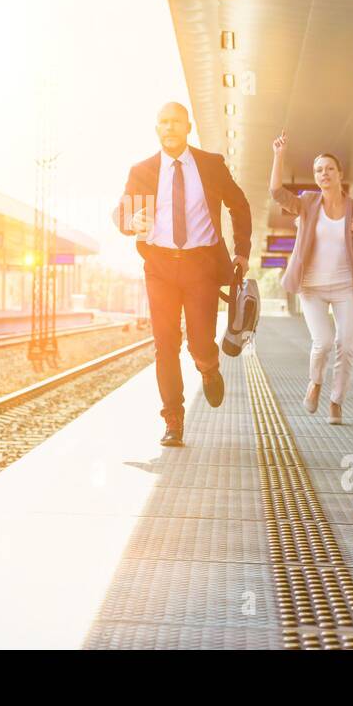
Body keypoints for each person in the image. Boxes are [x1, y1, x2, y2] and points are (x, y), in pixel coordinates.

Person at [113, 102, 251, 447]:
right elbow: (121, 213)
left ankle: (208, 366)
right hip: (159, 267)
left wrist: (243, 251)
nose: (169, 127)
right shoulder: (141, 170)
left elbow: (239, 204)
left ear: (188, 126)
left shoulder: (210, 164)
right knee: (165, 344)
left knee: (200, 341)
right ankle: (173, 420)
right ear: (156, 129)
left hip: (200, 265)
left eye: (175, 121)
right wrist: (132, 223)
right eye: (163, 122)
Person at [269, 132, 353, 424]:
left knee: (346, 346)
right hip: (311, 286)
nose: (323, 174)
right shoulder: (308, 202)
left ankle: (336, 401)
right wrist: (278, 154)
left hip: (344, 286)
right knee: (322, 342)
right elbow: (276, 192)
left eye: (329, 169)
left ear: (340, 174)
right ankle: (315, 383)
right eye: (318, 170)